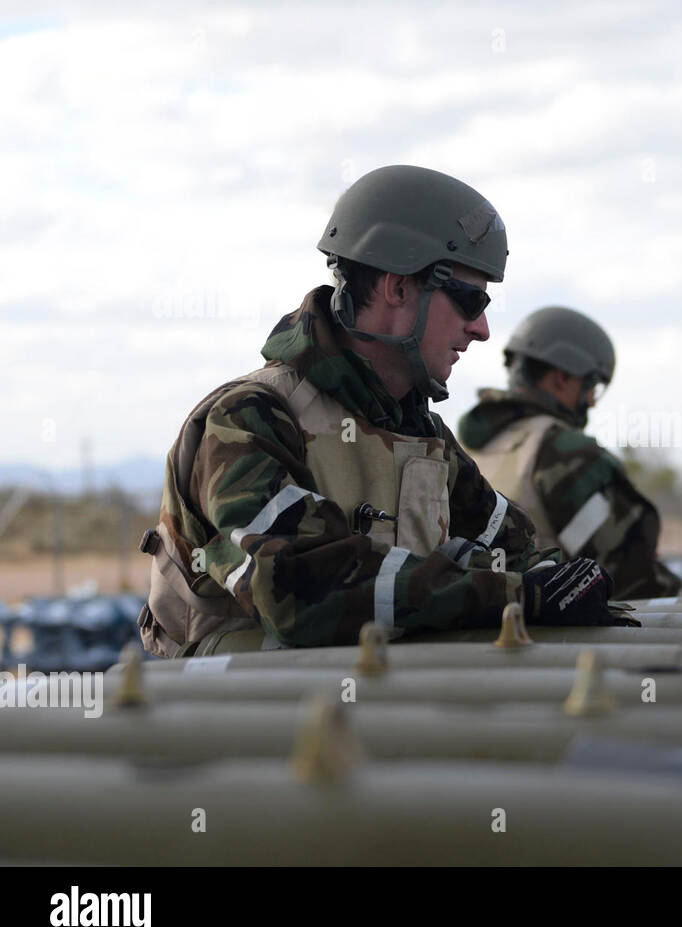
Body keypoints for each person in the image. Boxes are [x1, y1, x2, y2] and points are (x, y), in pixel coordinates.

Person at [138, 165, 623, 658]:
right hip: (233, 723)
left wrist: (560, 583)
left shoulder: (422, 434)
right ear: (398, 289)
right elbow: (301, 593)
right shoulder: (246, 421)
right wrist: (517, 598)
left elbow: (513, 549)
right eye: (470, 301)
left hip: (366, 716)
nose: (481, 329)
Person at [458, 307, 681, 600]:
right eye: (591, 386)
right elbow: (631, 577)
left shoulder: (465, 445)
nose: (591, 401)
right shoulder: (567, 453)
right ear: (562, 378)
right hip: (555, 640)